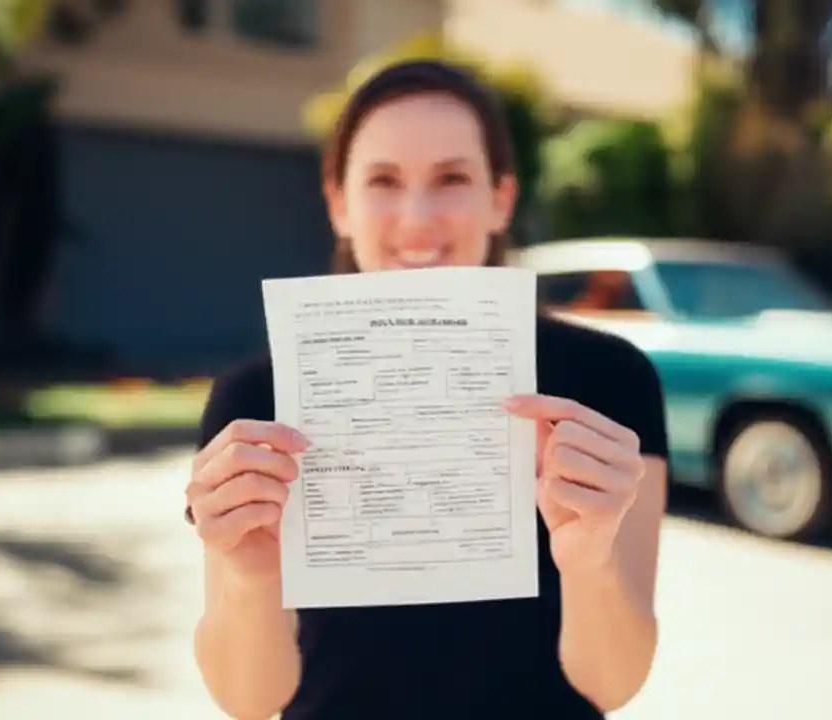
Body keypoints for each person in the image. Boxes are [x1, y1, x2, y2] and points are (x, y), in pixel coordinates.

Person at [185, 59, 669, 720]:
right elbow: (248, 701)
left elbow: (611, 686)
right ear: (338, 204)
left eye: (451, 178)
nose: (417, 217)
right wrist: (248, 578)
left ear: (501, 198)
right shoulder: (253, 402)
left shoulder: (609, 382)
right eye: (384, 180)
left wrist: (589, 565)